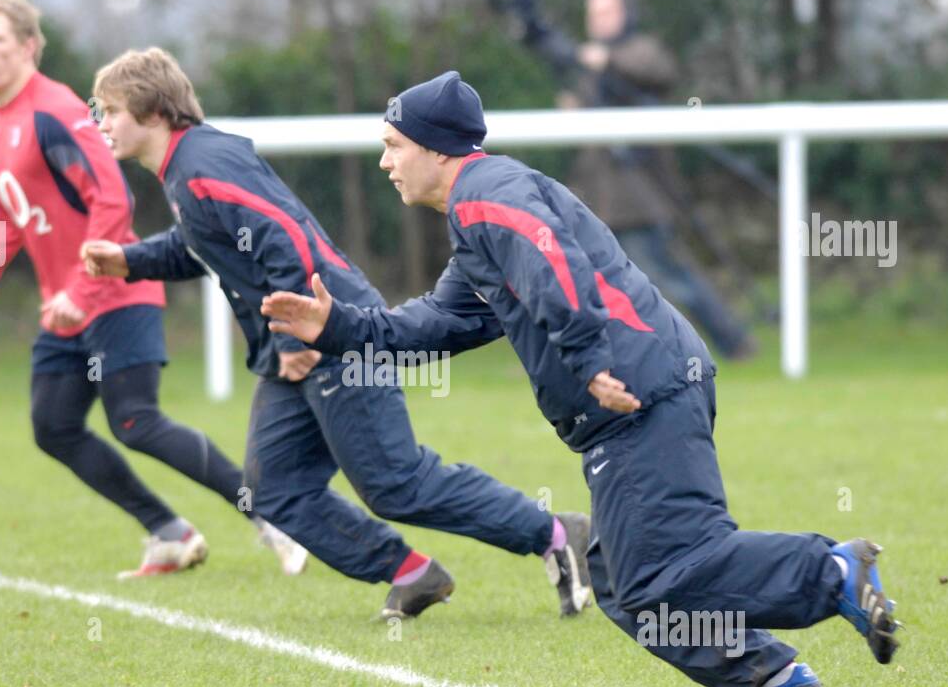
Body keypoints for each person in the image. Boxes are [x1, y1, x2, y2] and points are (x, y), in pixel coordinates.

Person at [261, 71, 901, 687]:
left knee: (662, 573)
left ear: (436, 149)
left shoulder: (488, 198)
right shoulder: (478, 218)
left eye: (394, 144)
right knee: (621, 579)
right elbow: (437, 323)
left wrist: (591, 358)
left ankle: (832, 572)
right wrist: (336, 327)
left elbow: (551, 262)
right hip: (635, 396)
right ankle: (776, 678)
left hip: (635, 395)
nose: (384, 160)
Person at [81, 48, 593, 619]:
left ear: (151, 111)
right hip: (292, 347)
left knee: (396, 483)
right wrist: (130, 260)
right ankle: (412, 573)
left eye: (109, 110)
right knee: (273, 488)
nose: (101, 123)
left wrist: (304, 339)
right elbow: (203, 244)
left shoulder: (205, 161)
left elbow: (285, 239)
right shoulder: (185, 167)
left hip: (332, 333)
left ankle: (555, 534)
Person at [0, 0, 305, 579]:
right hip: (65, 310)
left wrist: (82, 290)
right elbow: (2, 222)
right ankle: (169, 533)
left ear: (27, 46)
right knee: (54, 426)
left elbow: (111, 199)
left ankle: (271, 514)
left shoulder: (56, 110)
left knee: (135, 420)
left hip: (114, 296)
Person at [508, 0, 757, 359]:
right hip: (594, 196)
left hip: (639, 195)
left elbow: (657, 71)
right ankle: (596, 356)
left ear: (627, 13)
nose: (599, 21)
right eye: (594, 14)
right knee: (582, 280)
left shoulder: (638, 50)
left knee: (670, 278)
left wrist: (604, 61)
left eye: (607, 12)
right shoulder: (590, 65)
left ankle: (732, 344)